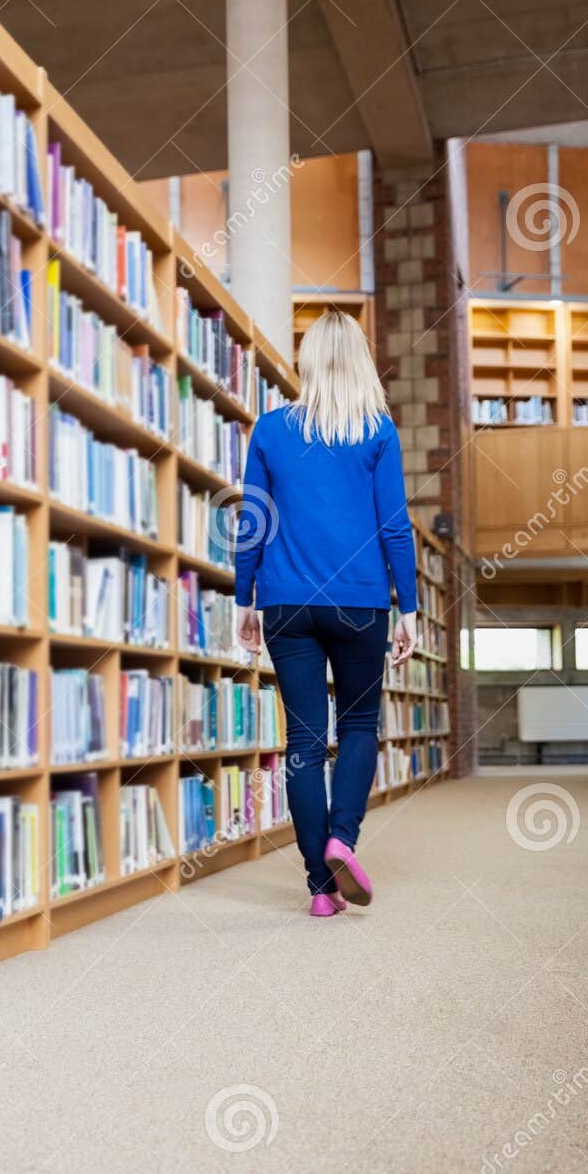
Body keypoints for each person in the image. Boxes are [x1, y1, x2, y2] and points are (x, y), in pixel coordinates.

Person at [234, 310, 417, 917]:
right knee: (360, 725)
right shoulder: (377, 430)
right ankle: (344, 838)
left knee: (304, 745)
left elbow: (251, 522)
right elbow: (395, 527)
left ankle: (320, 888)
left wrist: (244, 597)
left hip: (286, 602)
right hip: (362, 602)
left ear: (306, 360)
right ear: (360, 360)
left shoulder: (270, 428)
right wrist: (409, 606)